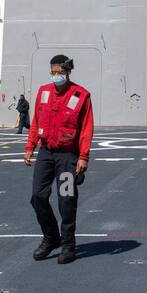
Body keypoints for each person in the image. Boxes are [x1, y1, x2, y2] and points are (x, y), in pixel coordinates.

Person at [24, 55, 94, 265]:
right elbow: (36, 121)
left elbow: (86, 129)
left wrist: (83, 157)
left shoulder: (81, 95)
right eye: (53, 72)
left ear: (68, 72)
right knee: (38, 196)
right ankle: (51, 236)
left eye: (60, 73)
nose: (56, 76)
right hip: (46, 153)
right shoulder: (43, 92)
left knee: (66, 201)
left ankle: (68, 245)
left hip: (67, 156)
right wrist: (30, 147)